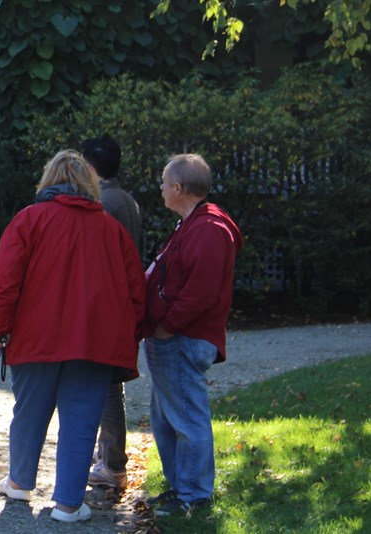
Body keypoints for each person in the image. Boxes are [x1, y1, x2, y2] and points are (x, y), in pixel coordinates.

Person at [0, 150, 145, 523]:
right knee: (81, 419)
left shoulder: (29, 220)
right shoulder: (112, 230)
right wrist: (130, 333)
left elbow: (5, 282)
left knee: (28, 411)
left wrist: (1, 326)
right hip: (93, 341)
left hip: (34, 338)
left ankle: (20, 481)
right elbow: (136, 291)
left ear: (48, 180)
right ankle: (69, 503)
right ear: (89, 184)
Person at [141, 154, 242, 516]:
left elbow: (201, 293)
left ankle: (194, 495)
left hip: (182, 338)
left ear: (179, 188)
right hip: (172, 337)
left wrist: (167, 327)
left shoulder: (208, 229)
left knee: (186, 417)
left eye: (165, 182)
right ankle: (181, 487)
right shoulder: (192, 224)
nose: (162, 188)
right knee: (167, 417)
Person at [80, 135, 142, 491]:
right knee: (110, 383)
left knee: (104, 385)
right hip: (121, 303)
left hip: (107, 305)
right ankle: (109, 456)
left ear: (90, 166)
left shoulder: (103, 203)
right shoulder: (126, 200)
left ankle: (113, 461)